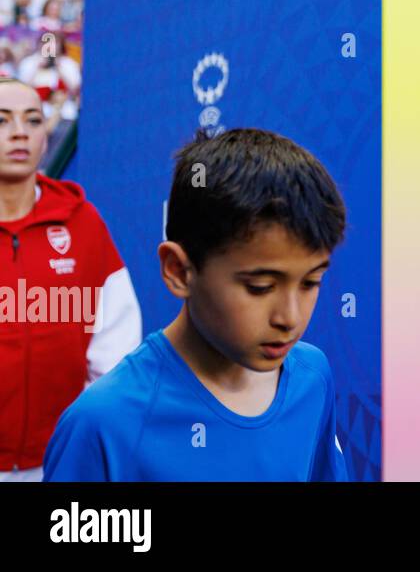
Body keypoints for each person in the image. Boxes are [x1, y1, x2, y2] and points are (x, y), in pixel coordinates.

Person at [42, 128, 351, 481]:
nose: (290, 317)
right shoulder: (102, 424)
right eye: (260, 287)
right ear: (178, 270)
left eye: (311, 282)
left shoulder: (312, 377)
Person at [0, 78, 141, 481]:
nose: (20, 132)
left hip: (61, 460)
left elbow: (114, 347)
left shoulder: (82, 223)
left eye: (33, 120)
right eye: (2, 120)